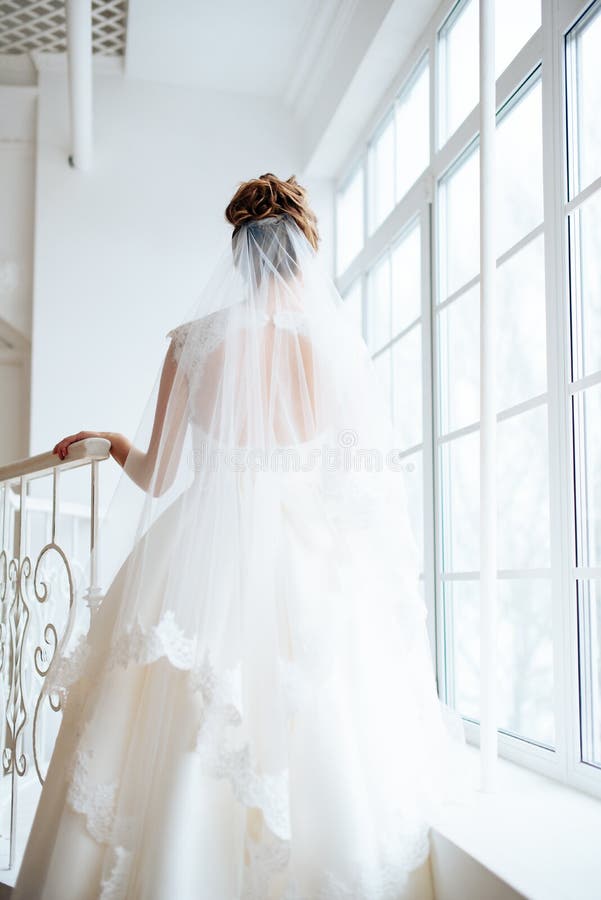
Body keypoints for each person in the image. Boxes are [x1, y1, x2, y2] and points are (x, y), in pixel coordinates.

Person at [13, 174, 466, 900]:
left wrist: (112, 439)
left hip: (198, 551)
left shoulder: (192, 343)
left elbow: (159, 476)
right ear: (302, 253)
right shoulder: (334, 347)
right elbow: (359, 486)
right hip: (304, 554)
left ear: (239, 253)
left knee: (166, 726)